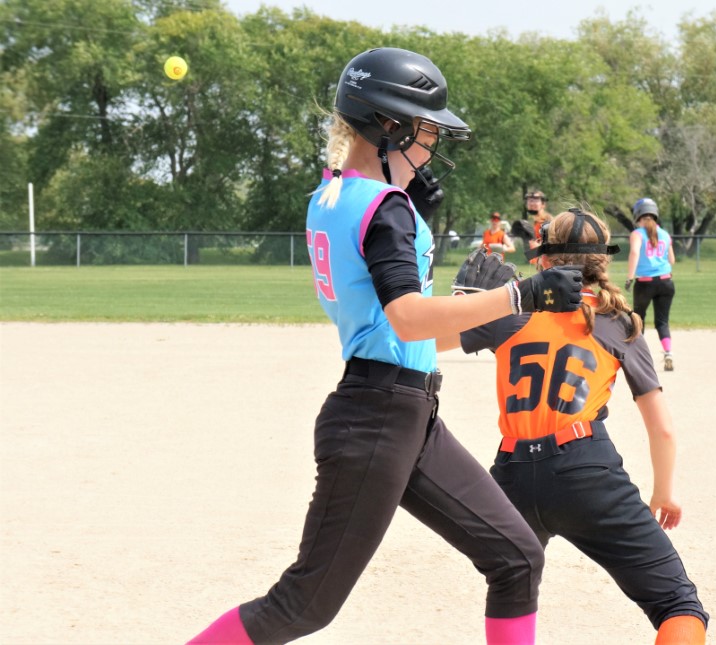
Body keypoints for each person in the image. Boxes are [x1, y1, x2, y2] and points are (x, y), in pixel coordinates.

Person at [186, 47, 584, 645]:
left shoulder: (333, 194)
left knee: (516, 558)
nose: (431, 149)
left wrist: (479, 320)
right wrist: (517, 297)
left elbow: (404, 330)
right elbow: (406, 319)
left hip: (403, 413)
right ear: (388, 127)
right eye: (425, 132)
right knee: (302, 604)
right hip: (376, 420)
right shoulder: (384, 208)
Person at [460, 208, 708, 644]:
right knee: (677, 605)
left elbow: (420, 336)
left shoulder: (510, 310)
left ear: (542, 258)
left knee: (511, 586)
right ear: (603, 261)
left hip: (511, 476)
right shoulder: (620, 321)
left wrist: (467, 306)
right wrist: (663, 491)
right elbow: (662, 428)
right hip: (583, 468)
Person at [625, 197, 677, 371]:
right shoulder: (664, 234)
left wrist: (630, 277)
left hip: (645, 283)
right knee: (662, 322)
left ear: (637, 214)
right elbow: (672, 259)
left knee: (638, 319)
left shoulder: (637, 233)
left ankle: (639, 357)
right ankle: (668, 352)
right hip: (666, 281)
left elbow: (634, 253)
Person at [524, 190, 552, 265]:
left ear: (543, 204)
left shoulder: (547, 222)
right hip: (541, 265)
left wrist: (539, 247)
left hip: (549, 266)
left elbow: (555, 245)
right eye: (530, 200)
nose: (532, 203)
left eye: (536, 200)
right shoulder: (536, 222)